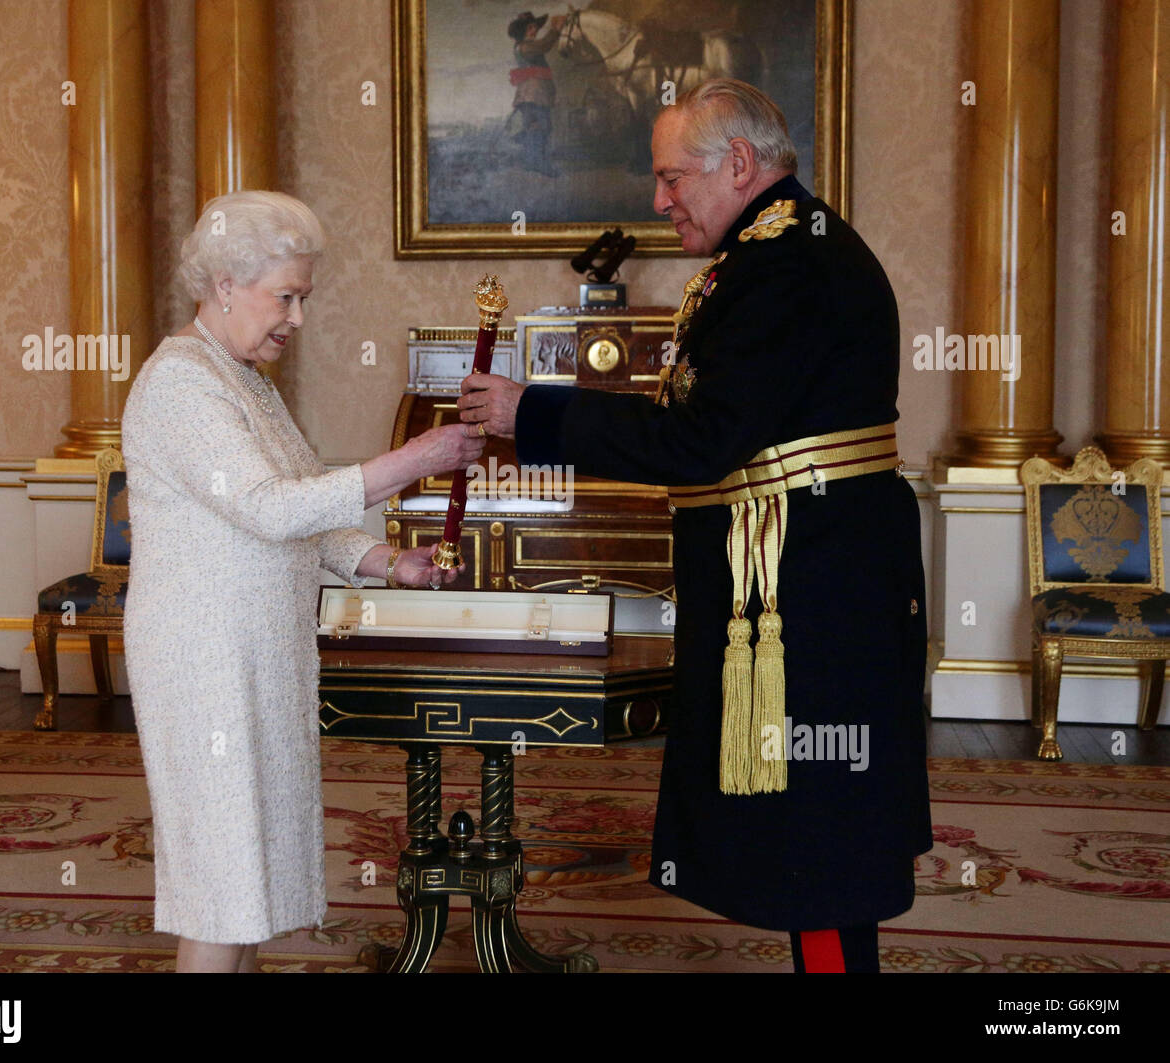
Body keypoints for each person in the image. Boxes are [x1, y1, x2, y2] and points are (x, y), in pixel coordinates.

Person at [458, 79, 932, 973]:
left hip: (810, 591)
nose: (658, 199)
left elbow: (700, 440)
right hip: (810, 574)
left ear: (739, 164)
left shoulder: (785, 260)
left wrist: (534, 411)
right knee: (811, 830)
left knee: (821, 839)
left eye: (673, 177)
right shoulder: (772, 248)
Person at [121, 190, 483, 973]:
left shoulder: (246, 379)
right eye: (285, 296)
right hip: (204, 663)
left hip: (257, 653)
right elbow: (266, 508)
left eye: (303, 297)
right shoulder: (182, 383)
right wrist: (414, 461)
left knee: (245, 883)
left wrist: (390, 563)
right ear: (223, 283)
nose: (297, 317)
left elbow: (303, 500)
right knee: (220, 885)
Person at [506, 11, 566, 177]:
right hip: (534, 93)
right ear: (523, 30)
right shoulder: (525, 47)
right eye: (531, 27)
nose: (534, 30)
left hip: (532, 93)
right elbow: (545, 45)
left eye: (535, 27)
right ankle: (538, 163)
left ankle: (534, 162)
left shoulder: (524, 46)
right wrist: (556, 29)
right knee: (540, 126)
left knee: (536, 126)